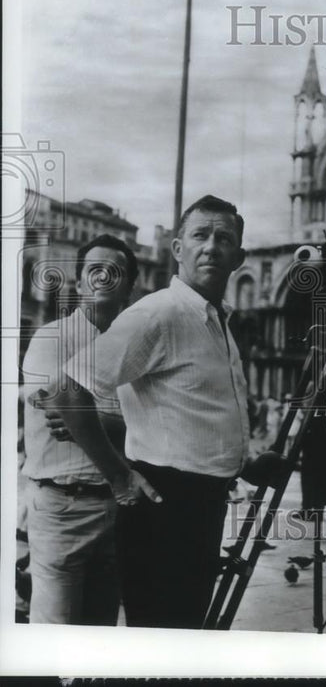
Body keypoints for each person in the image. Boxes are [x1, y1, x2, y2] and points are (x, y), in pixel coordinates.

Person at [43, 195, 251, 629]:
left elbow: (192, 414)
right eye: (200, 235)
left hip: (202, 506)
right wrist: (119, 475)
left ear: (239, 257)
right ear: (177, 250)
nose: (211, 246)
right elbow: (67, 389)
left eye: (224, 238)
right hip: (165, 508)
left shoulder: (215, 321)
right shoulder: (159, 313)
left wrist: (245, 463)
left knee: (184, 638)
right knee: (162, 643)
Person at [22, 234, 138, 624]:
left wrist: (90, 417)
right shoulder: (51, 338)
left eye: (115, 270)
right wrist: (126, 423)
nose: (103, 277)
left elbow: (151, 423)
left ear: (129, 285)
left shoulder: (136, 346)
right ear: (78, 282)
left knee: (99, 632)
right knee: (53, 639)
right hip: (62, 508)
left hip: (116, 510)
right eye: (94, 269)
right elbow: (61, 416)